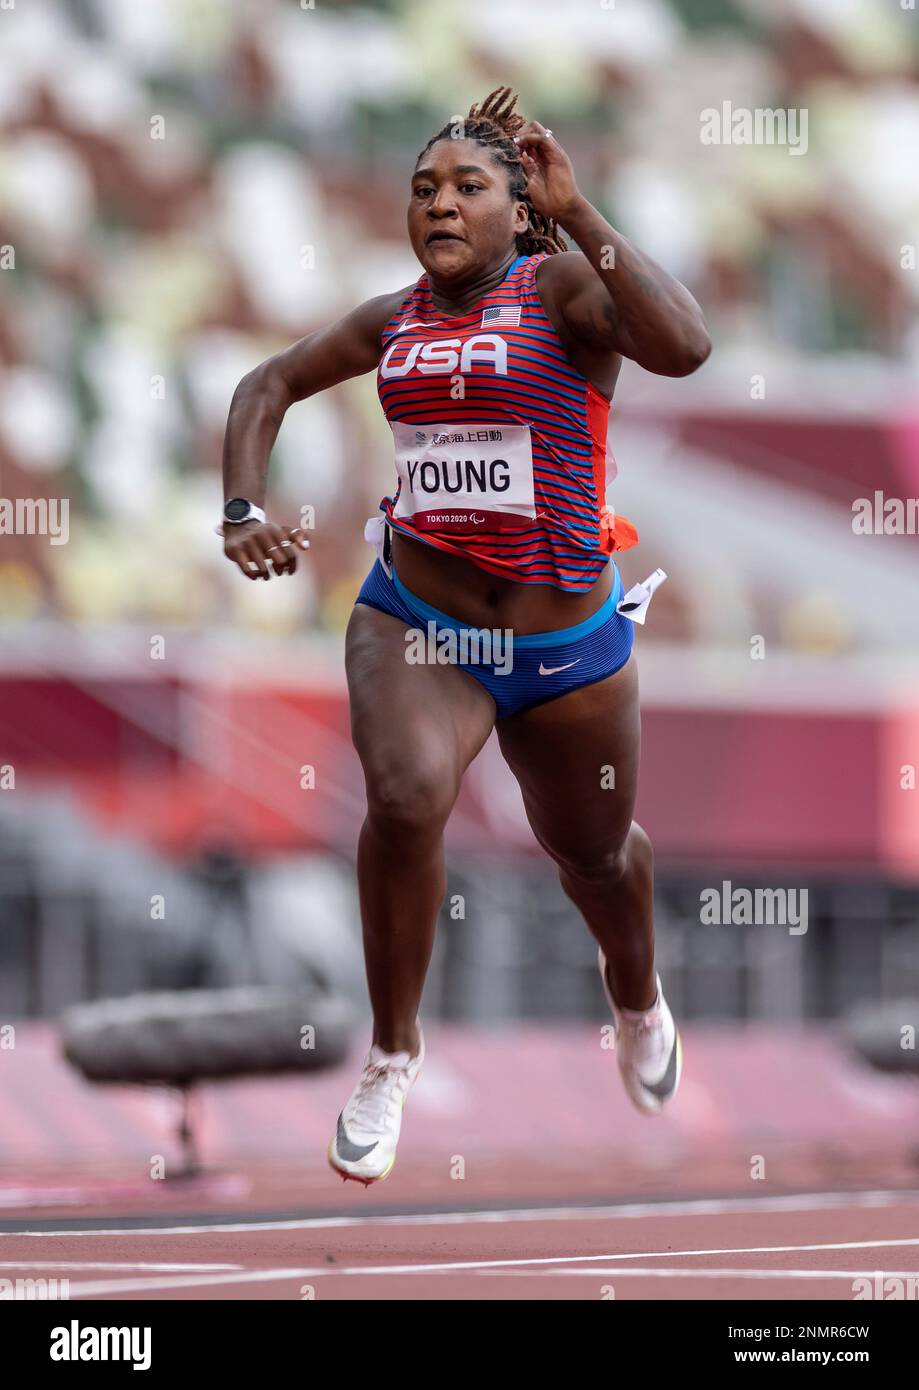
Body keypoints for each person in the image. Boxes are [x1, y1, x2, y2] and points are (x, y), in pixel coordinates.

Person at [220, 87, 711, 1185]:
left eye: (467, 187)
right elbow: (266, 384)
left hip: (564, 640)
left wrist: (581, 213)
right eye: (422, 188)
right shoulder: (391, 320)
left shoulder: (569, 290)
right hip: (421, 622)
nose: (438, 204)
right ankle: (391, 1051)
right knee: (401, 798)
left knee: (591, 851)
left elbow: (685, 346)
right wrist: (243, 508)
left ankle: (633, 993)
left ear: (519, 208)